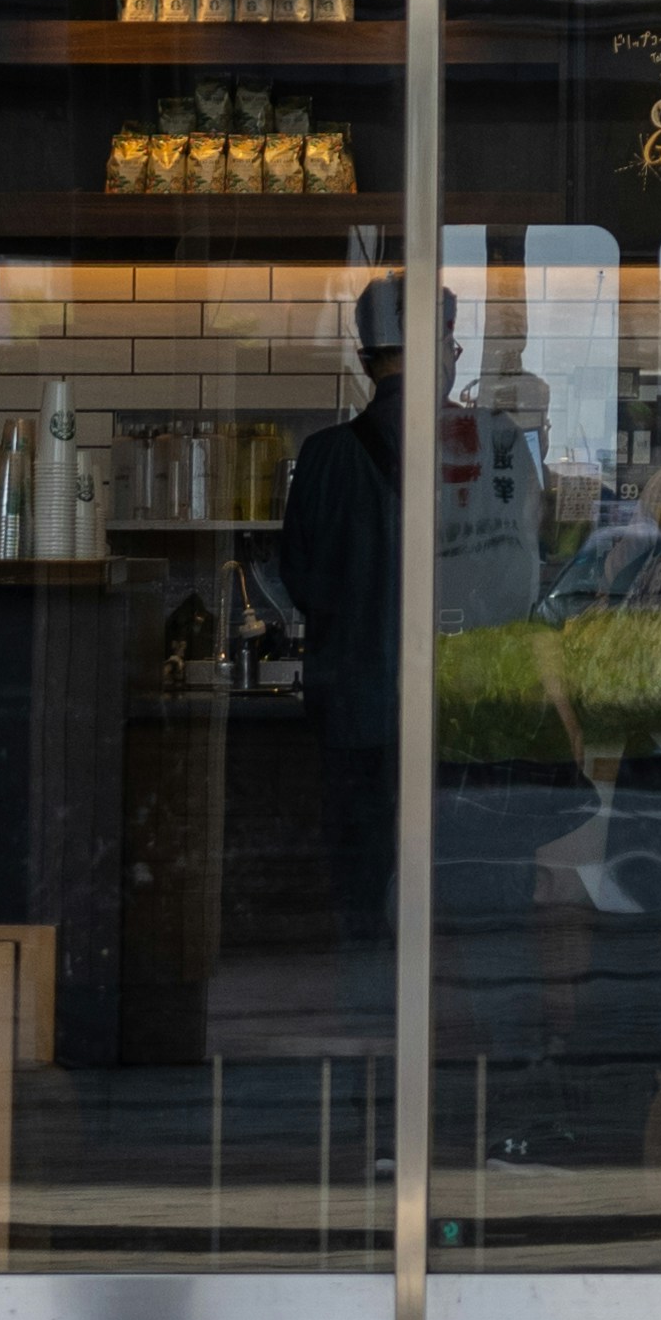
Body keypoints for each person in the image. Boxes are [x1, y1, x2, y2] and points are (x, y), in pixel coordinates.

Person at [275, 282, 423, 956]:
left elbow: (298, 574)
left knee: (358, 867)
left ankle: (366, 982)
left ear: (365, 362)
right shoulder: (465, 450)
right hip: (441, 701)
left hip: (349, 697)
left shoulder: (325, 454)